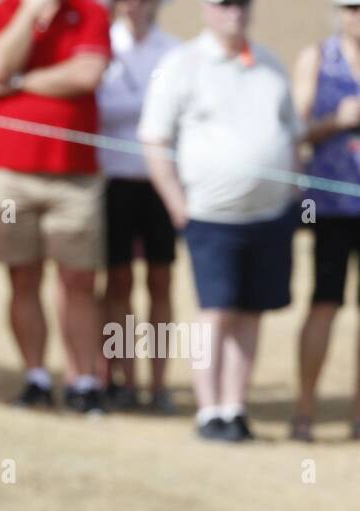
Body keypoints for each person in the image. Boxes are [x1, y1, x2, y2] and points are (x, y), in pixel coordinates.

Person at [140, 0, 301, 442]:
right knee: (215, 312)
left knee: (251, 312)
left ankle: (234, 407)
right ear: (207, 10)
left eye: (242, 5)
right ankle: (208, 411)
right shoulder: (182, 64)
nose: (235, 13)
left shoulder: (269, 63)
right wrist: (176, 200)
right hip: (211, 216)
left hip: (269, 216)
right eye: (224, 4)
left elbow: (292, 132)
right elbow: (155, 137)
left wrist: (291, 191)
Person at [0, 0, 111, 412]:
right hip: (10, 173)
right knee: (22, 277)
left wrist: (20, 80)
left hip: (74, 175)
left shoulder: (90, 13)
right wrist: (27, 15)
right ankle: (35, 376)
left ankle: (83, 380)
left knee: (79, 280)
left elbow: (86, 74)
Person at [96, 0, 178, 413]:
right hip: (114, 180)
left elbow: (178, 116)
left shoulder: (175, 51)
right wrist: (151, 111)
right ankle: (120, 377)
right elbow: (97, 109)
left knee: (161, 282)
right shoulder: (102, 45)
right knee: (118, 282)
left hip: (160, 183)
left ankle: (159, 383)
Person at [292, 0, 360, 442]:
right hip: (333, 207)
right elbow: (296, 129)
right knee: (325, 304)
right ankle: (304, 412)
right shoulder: (318, 57)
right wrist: (338, 120)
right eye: (352, 7)